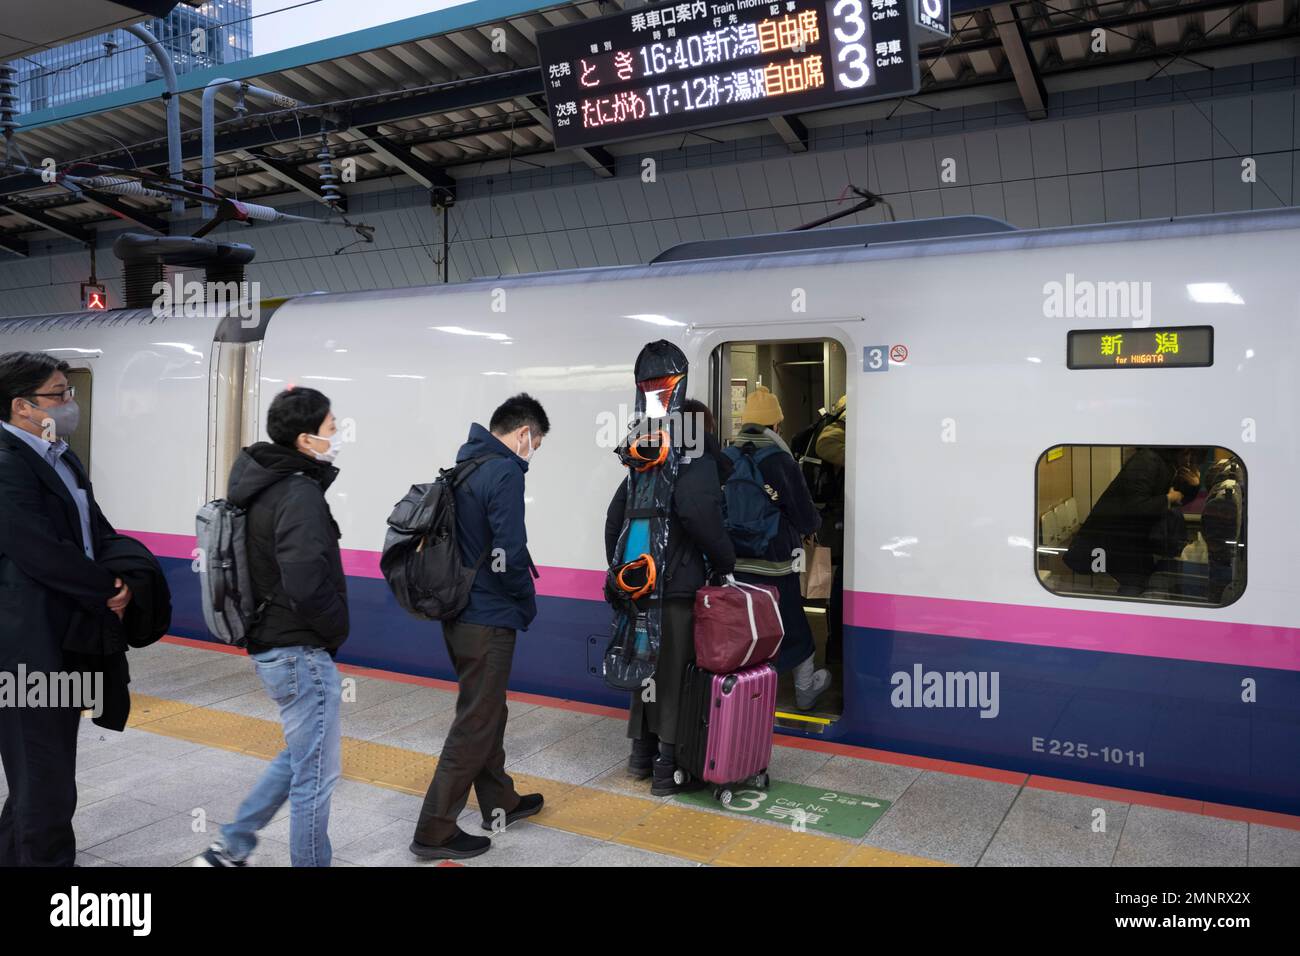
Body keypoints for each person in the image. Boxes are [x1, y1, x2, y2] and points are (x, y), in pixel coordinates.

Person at [197, 387, 350, 867]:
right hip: (299, 650)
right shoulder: (299, 492)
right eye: (331, 428)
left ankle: (232, 845)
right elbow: (305, 580)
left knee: (299, 757)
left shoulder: (264, 482)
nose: (338, 435)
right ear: (306, 439)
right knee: (316, 779)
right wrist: (333, 629)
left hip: (275, 645)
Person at [0, 352, 131, 866]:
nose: (70, 403)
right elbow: (39, 550)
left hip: (68, 639)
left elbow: (94, 528)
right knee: (44, 780)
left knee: (45, 773)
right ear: (22, 406)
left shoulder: (61, 455)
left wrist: (125, 576)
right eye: (59, 394)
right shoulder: (6, 464)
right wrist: (104, 587)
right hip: (26, 647)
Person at [411, 394, 549, 860]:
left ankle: (500, 802)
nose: (533, 453)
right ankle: (434, 830)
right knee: (475, 722)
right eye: (536, 444)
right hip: (488, 617)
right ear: (523, 434)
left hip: (460, 614)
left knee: (488, 710)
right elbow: (509, 551)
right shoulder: (505, 470)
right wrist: (524, 600)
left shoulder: (465, 466)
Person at [605, 398, 736, 795]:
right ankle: (669, 768)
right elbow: (701, 518)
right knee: (677, 674)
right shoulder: (695, 465)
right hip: (678, 590)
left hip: (640, 589)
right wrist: (726, 559)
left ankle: (640, 755)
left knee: (649, 668)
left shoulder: (645, 464)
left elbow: (615, 520)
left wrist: (626, 574)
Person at [727, 386, 830, 711]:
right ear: (775, 425)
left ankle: (743, 693)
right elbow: (803, 514)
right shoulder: (779, 459)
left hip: (735, 561)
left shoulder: (726, 457)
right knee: (792, 624)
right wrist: (814, 526)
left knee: (747, 628)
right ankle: (804, 689)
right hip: (775, 561)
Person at [1065, 447, 1201, 596]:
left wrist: (1192, 486)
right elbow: (1136, 507)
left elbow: (1175, 499)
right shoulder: (1146, 461)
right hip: (1115, 539)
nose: (1188, 460)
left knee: (1141, 582)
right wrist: (1168, 499)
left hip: (1133, 539)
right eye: (1186, 454)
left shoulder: (1164, 464)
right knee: (1135, 584)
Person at [813, 396, 847, 669]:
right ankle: (835, 648)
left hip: (841, 521)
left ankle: (837, 647)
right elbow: (826, 445)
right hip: (837, 523)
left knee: (839, 586)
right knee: (837, 587)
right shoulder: (836, 430)